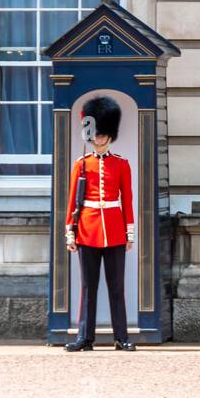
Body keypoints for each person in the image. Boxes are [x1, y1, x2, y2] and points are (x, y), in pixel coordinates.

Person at [64, 95, 136, 352]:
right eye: (96, 134)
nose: (99, 138)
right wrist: (70, 233)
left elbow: (126, 199)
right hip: (86, 230)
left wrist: (129, 232)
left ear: (110, 135)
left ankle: (121, 337)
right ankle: (85, 338)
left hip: (115, 230)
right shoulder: (81, 165)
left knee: (117, 287)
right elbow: (73, 200)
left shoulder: (121, 164)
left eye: (103, 134)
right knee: (88, 288)